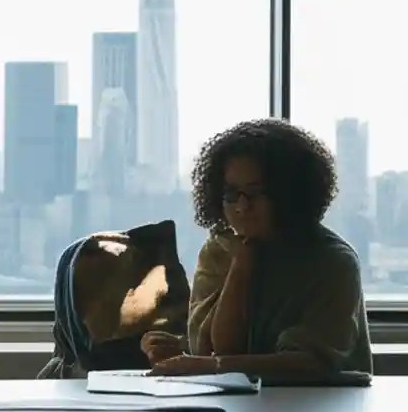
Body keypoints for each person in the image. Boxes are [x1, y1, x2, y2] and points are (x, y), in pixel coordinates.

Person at [142, 118, 373, 378]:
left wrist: (211, 366)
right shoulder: (218, 252)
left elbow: (311, 364)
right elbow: (213, 349)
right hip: (235, 410)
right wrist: (242, 265)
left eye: (256, 193)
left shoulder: (334, 263)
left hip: (319, 408)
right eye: (231, 194)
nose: (241, 207)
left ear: (288, 194)